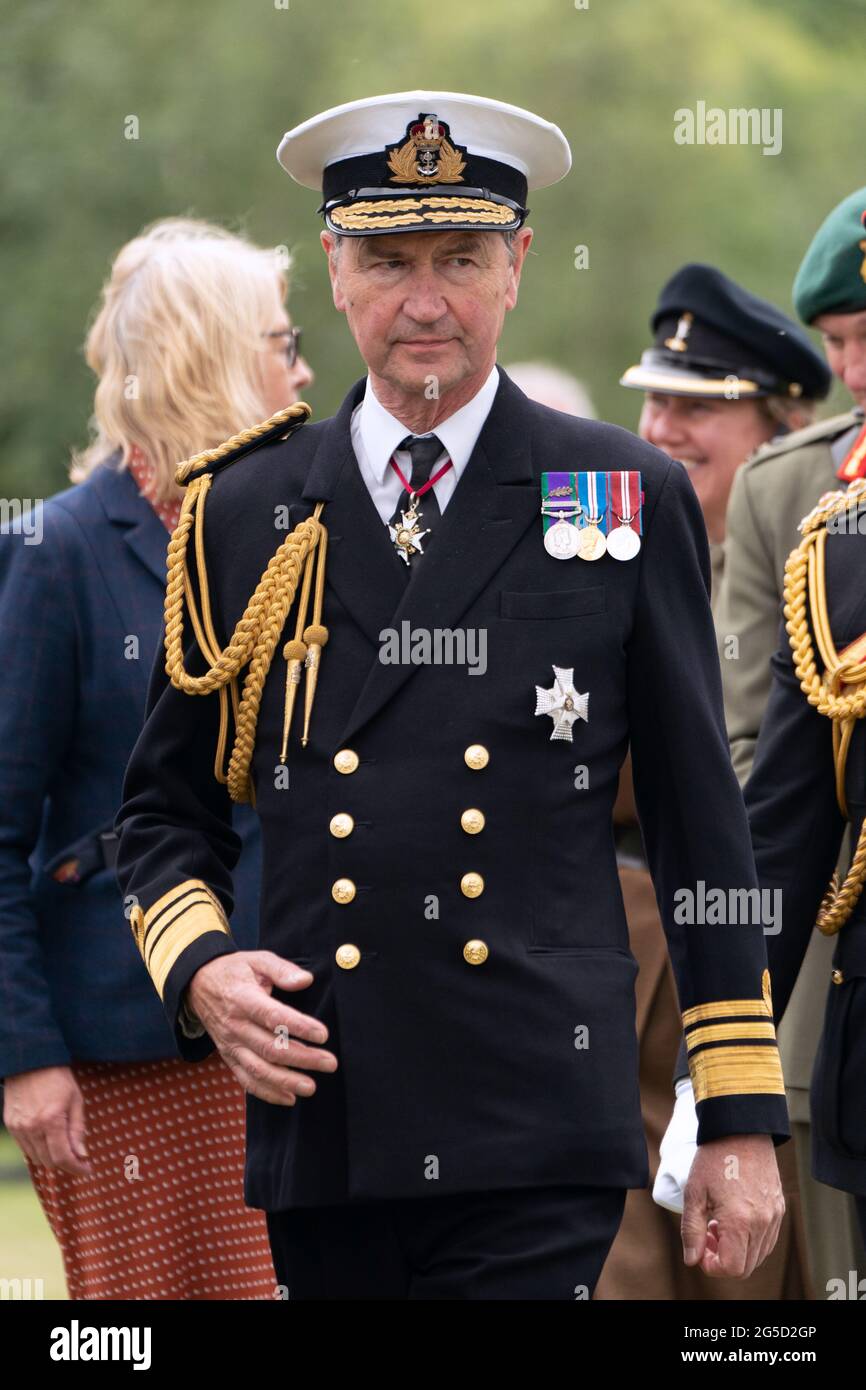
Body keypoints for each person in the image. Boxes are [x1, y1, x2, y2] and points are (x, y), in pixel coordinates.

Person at [115, 91, 789, 1301]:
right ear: (333, 270)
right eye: (387, 260)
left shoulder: (617, 492)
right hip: (329, 1121)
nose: (424, 301)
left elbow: (701, 828)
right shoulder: (244, 514)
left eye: (460, 259)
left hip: (533, 1119)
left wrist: (736, 1112)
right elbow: (161, 820)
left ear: (517, 265)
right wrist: (203, 969)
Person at [0, 217, 313, 1300]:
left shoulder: (287, 533)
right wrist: (25, 1055)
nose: (304, 369)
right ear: (213, 357)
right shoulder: (59, 555)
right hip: (125, 1056)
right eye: (281, 340)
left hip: (285, 1026)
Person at [595, 264, 829, 1300]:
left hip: (786, 949)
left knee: (767, 1276)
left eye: (697, 405)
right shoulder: (602, 533)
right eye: (651, 400)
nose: (662, 426)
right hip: (634, 947)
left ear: (782, 423)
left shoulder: (817, 562)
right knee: (631, 1263)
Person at [659, 192, 866, 1291]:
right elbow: (774, 820)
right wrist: (725, 1082)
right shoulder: (830, 549)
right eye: (840, 347)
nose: (854, 375)